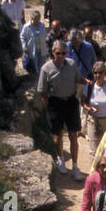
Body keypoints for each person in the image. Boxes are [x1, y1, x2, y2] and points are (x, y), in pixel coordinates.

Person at [37, 40, 84, 179]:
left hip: (70, 101)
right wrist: (48, 107)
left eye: (63, 53)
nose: (61, 56)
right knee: (57, 135)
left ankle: (75, 166)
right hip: (55, 102)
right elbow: (42, 91)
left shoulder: (72, 65)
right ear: (53, 53)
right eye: (58, 53)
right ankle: (60, 159)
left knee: (73, 135)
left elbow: (79, 80)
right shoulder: (46, 69)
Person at [81, 61, 106, 159]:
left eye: (100, 72)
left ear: (105, 73)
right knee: (94, 151)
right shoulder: (89, 87)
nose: (98, 75)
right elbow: (83, 102)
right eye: (95, 72)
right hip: (93, 121)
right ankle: (93, 173)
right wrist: (90, 108)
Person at [20, 7, 47, 77]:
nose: (37, 22)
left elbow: (45, 36)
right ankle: (37, 79)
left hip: (42, 49)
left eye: (38, 20)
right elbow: (22, 37)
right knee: (35, 67)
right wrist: (24, 47)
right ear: (32, 19)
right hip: (32, 50)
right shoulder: (26, 27)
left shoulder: (42, 25)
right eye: (36, 20)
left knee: (42, 66)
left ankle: (42, 78)